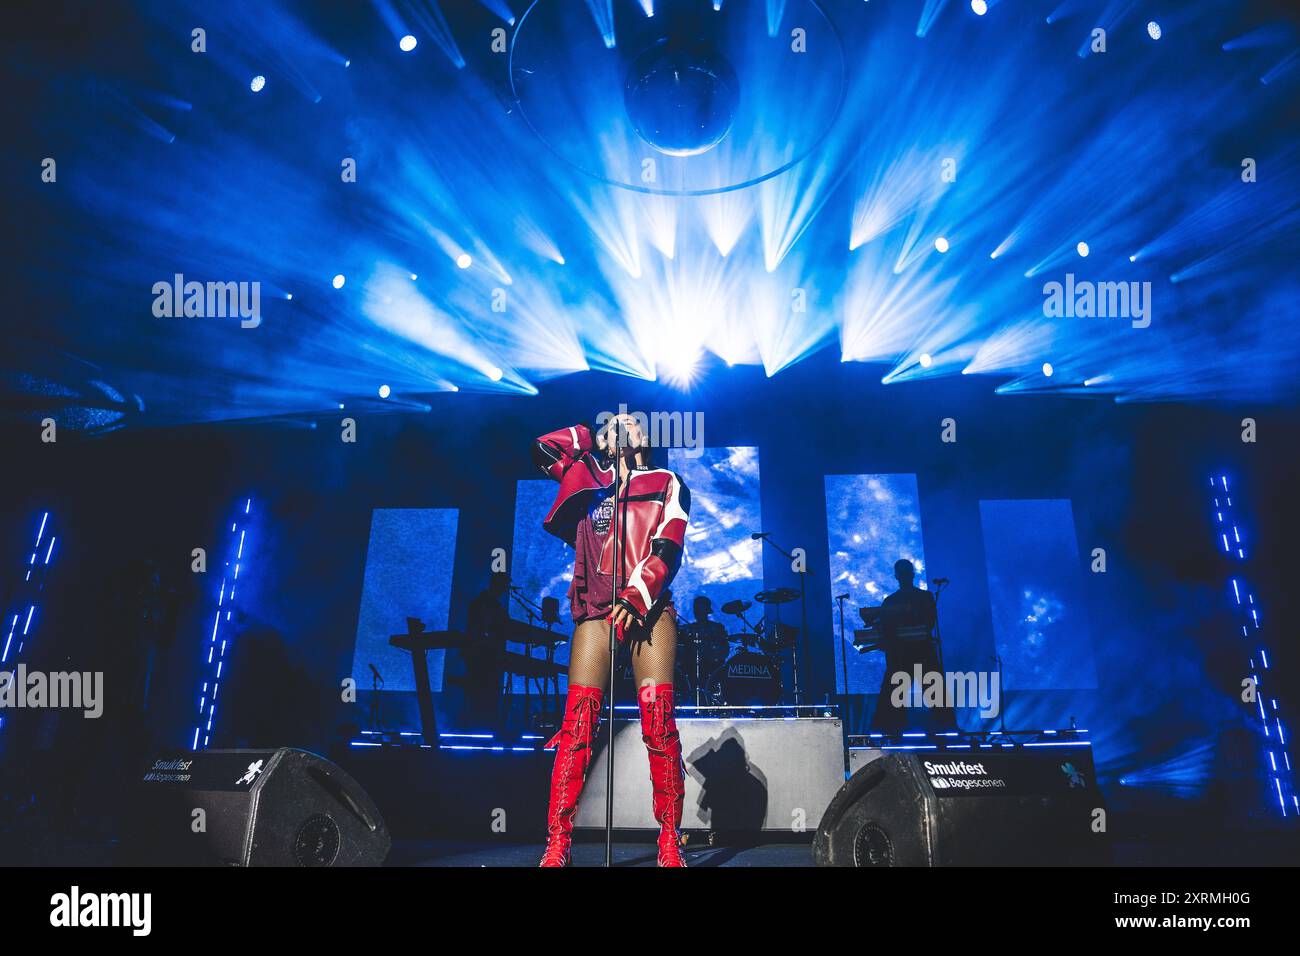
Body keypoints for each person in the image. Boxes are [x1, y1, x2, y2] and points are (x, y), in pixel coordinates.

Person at [532, 414, 691, 867]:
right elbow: (542, 447)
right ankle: (558, 843)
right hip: (596, 613)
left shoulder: (666, 481)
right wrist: (589, 440)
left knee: (658, 722)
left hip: (649, 610)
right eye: (613, 424)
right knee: (577, 726)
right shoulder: (586, 478)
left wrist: (637, 594)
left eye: (631, 424)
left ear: (644, 437)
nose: (622, 427)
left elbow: (668, 546)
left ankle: (668, 839)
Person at [870, 559, 955, 733]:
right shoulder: (899, 600)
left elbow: (928, 622)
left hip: (911, 652)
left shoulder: (910, 599)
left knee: (919, 691)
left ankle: (892, 729)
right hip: (909, 652)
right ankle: (893, 729)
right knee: (901, 693)